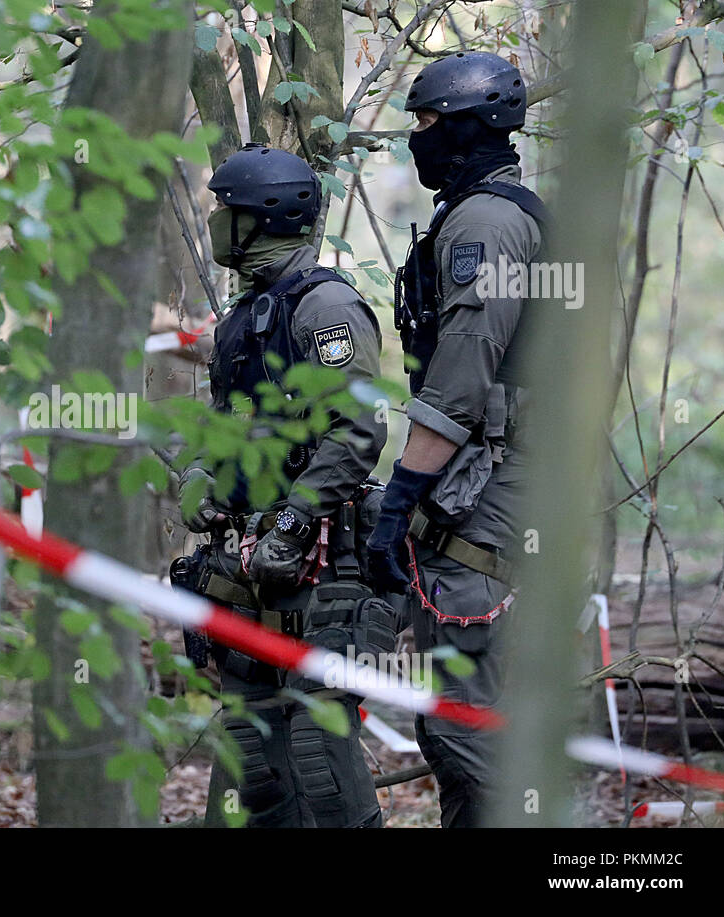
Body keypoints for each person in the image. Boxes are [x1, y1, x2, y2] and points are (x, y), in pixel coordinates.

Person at [175, 143, 394, 828]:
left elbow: (356, 431)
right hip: (248, 570)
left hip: (322, 568)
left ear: (261, 217)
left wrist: (295, 521)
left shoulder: (323, 306)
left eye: (224, 209)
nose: (214, 221)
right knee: (252, 751)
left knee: (318, 744)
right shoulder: (246, 314)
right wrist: (202, 478)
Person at [366, 51, 549, 828]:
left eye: (431, 122)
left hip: (490, 498)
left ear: (473, 129)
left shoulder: (485, 221)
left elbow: (462, 377)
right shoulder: (486, 211)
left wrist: (400, 495)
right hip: (488, 486)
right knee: (458, 730)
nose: (420, 137)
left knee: (459, 718)